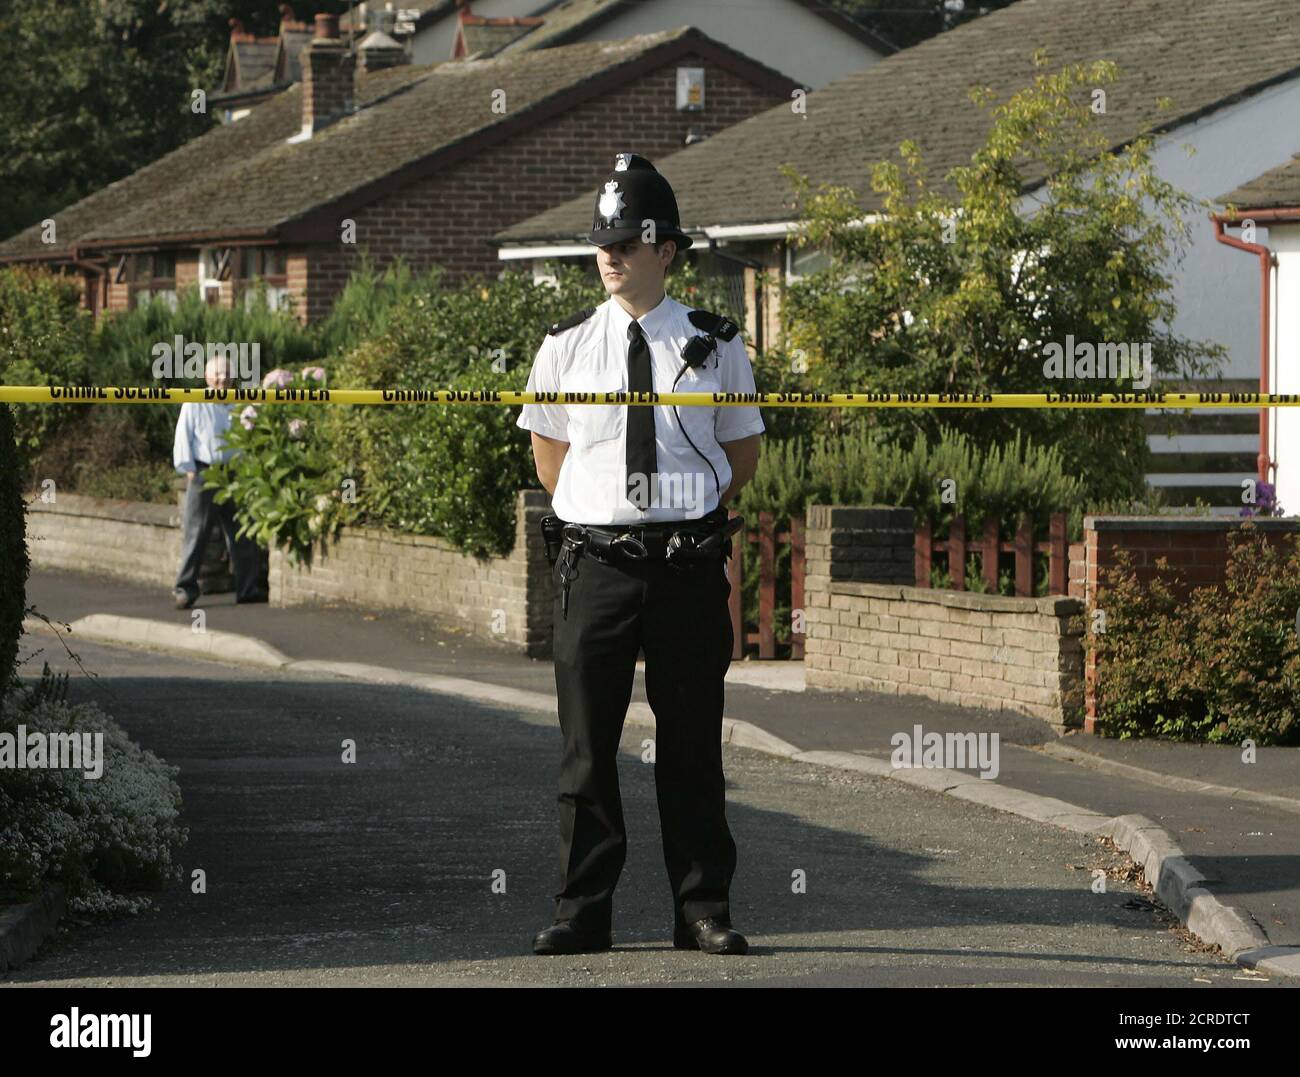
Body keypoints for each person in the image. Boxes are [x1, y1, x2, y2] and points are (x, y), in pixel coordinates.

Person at [516, 152, 764, 956]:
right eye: (603, 240)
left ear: (668, 251)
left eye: (630, 238)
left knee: (692, 744)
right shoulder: (565, 347)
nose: (612, 253)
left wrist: (679, 513)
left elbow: (742, 454)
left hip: (688, 566)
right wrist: (606, 512)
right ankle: (582, 907)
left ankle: (703, 908)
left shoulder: (716, 345)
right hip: (596, 567)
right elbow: (549, 459)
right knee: (587, 746)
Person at [172, 356, 266, 609]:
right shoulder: (194, 400)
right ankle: (185, 590)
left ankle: (247, 589)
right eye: (216, 374)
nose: (221, 378)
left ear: (233, 377)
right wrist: (188, 468)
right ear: (206, 376)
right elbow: (184, 434)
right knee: (196, 534)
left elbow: (250, 435)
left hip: (234, 473)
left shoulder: (240, 403)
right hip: (205, 473)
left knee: (242, 534)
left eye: (226, 374)